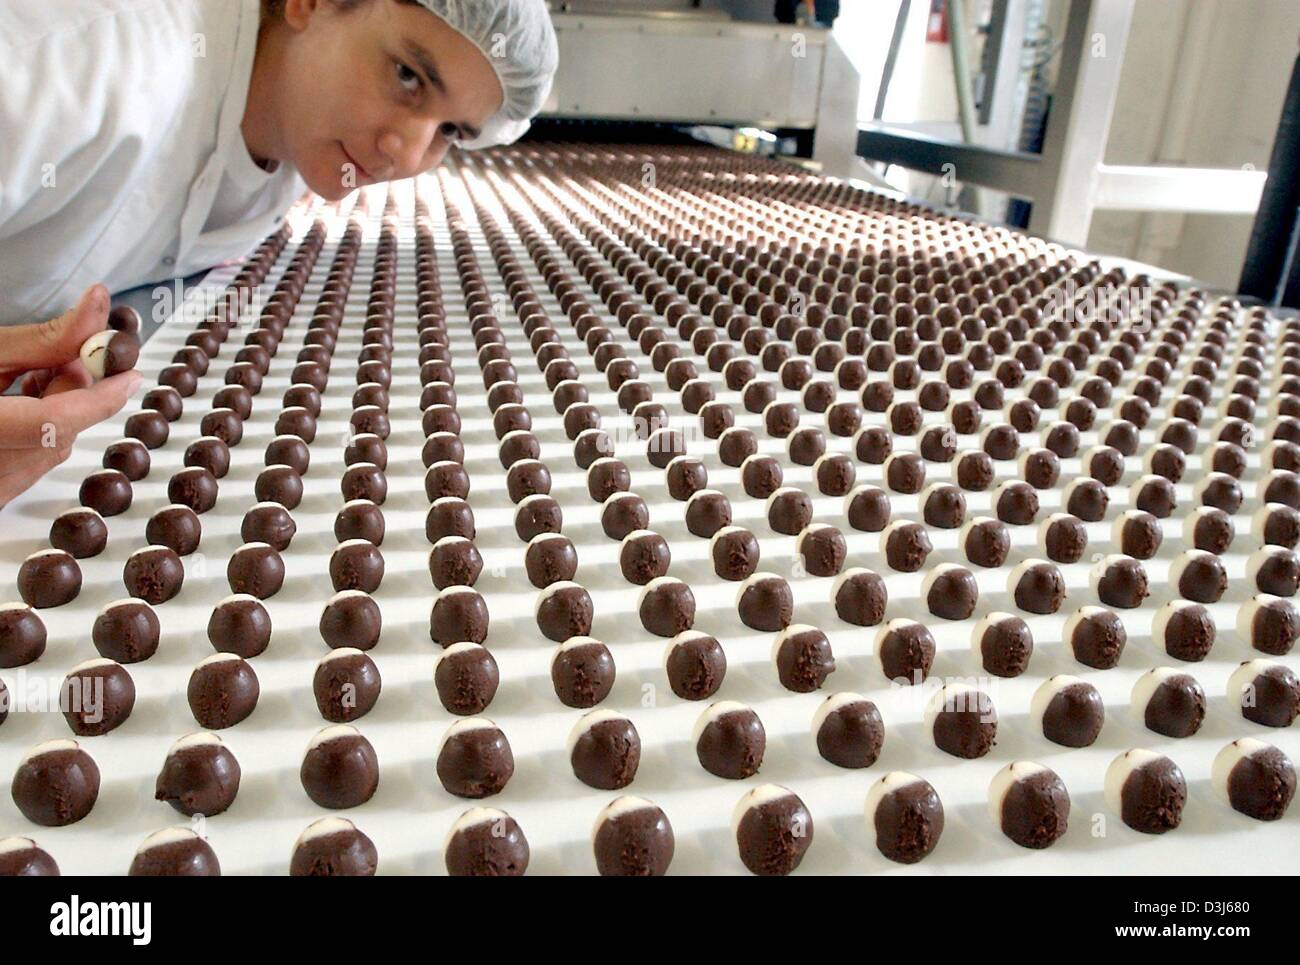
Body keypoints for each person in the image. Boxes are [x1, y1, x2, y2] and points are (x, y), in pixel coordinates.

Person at [0, 0, 558, 503]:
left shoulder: (296, 132)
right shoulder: (77, 67)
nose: (406, 153)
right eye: (407, 75)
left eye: (451, 130)